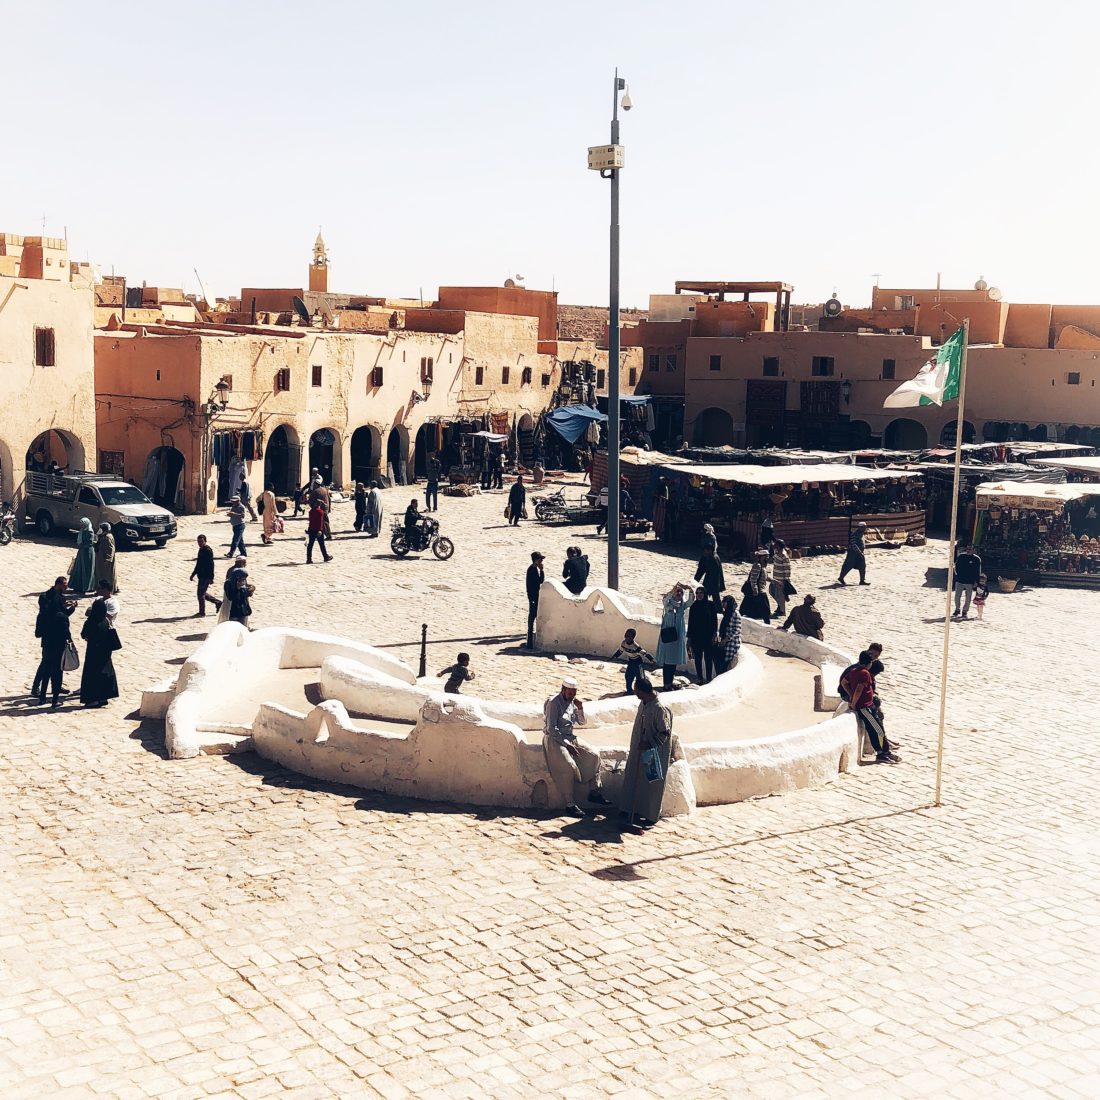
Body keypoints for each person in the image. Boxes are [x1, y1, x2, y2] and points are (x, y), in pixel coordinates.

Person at [542, 678, 609, 816]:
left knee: (593, 755)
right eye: (570, 692)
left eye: (574, 692)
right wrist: (567, 745)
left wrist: (580, 708)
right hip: (554, 739)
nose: (572, 695)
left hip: (570, 737)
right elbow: (552, 729)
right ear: (563, 690)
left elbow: (582, 722)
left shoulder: (573, 702)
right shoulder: (554, 703)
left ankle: (595, 792)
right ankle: (570, 804)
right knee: (567, 765)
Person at [617, 677, 677, 828]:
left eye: (636, 690)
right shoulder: (643, 703)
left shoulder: (659, 708)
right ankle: (630, 809)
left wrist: (649, 744)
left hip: (653, 753)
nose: (635, 693)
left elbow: (664, 733)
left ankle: (650, 815)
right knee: (634, 778)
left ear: (642, 691)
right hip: (639, 749)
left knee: (652, 784)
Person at [847, 652, 898, 764]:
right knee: (877, 730)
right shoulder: (864, 673)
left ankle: (884, 752)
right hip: (864, 708)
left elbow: (844, 682)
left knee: (874, 729)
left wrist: (851, 695)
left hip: (867, 705)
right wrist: (854, 703)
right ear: (869, 663)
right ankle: (882, 753)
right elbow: (859, 689)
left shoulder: (853, 671)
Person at [34, 577, 75, 706]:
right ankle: (54, 699)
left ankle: (42, 697)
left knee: (46, 668)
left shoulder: (46, 606)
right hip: (57, 646)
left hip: (46, 642)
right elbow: (65, 628)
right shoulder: (60, 616)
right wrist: (71, 608)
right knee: (57, 671)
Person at [79, 585, 120, 708]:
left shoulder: (91, 622)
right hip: (105, 652)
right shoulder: (106, 622)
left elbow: (83, 634)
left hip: (93, 652)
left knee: (92, 675)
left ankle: (93, 699)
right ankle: (103, 697)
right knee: (105, 672)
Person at [655, 582, 694, 690]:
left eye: (681, 592)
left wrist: (689, 588)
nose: (679, 594)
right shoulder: (668, 604)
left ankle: (670, 682)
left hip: (677, 635)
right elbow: (665, 598)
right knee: (667, 662)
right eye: (677, 592)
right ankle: (666, 683)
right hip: (668, 635)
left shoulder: (682, 606)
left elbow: (691, 600)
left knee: (673, 662)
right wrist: (672, 590)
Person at [686, 587, 718, 683]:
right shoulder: (694, 606)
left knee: (708, 659)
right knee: (698, 659)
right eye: (697, 593)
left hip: (708, 637)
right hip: (696, 637)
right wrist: (689, 638)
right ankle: (699, 678)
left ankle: (708, 679)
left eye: (701, 593)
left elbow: (714, 621)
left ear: (705, 594)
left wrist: (714, 634)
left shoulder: (711, 605)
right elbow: (690, 622)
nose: (699, 594)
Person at [610, 628, 654, 694]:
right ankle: (629, 691)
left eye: (628, 636)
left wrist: (651, 659)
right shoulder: (624, 643)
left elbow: (644, 653)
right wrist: (614, 657)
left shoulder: (635, 646)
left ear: (632, 637)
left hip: (638, 662)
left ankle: (643, 692)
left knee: (640, 678)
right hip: (631, 661)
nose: (626, 637)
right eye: (625, 635)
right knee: (628, 676)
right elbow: (620, 651)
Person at [190, 534, 221, 617]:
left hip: (206, 576)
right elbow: (198, 563)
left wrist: (211, 577)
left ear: (205, 541)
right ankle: (217, 602)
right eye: (198, 542)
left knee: (200, 594)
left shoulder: (208, 551)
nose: (200, 543)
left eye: (201, 541)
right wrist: (193, 574)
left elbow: (211, 565)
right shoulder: (201, 550)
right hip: (201, 575)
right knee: (202, 593)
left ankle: (202, 612)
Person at [740, 550, 772, 624]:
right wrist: (755, 590)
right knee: (765, 610)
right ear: (761, 557)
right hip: (757, 591)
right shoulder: (757, 565)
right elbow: (753, 579)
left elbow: (765, 577)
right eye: (766, 556)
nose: (767, 558)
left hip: (758, 591)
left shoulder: (763, 566)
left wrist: (774, 581)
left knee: (746, 608)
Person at [953, 542, 983, 619]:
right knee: (957, 597)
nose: (968, 550)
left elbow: (977, 571)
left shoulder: (976, 559)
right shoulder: (961, 556)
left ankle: (965, 611)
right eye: (967, 549)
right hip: (960, 580)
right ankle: (957, 609)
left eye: (970, 549)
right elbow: (956, 567)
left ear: (974, 550)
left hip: (970, 581)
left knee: (968, 598)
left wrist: (977, 581)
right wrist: (957, 575)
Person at [714, 595, 742, 674]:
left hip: (731, 644)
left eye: (724, 602)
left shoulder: (735, 614)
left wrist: (726, 640)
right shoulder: (727, 613)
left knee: (723, 664)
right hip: (724, 642)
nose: (723, 604)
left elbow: (737, 630)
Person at [68, 517, 96, 595]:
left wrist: (82, 545)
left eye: (83, 524)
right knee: (79, 568)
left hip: (87, 552)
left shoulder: (89, 531)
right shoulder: (82, 531)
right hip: (82, 552)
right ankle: (78, 586)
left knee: (86, 569)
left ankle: (87, 586)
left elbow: (90, 543)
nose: (81, 526)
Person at [218, 557, 249, 624]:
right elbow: (231, 596)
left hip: (242, 609)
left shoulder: (241, 576)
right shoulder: (231, 576)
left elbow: (244, 594)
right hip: (233, 608)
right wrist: (237, 588)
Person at [525, 551, 545, 649]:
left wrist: (541, 570)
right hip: (533, 597)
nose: (541, 561)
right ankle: (529, 642)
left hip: (535, 596)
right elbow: (539, 581)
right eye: (540, 559)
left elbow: (540, 581)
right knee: (532, 617)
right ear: (536, 560)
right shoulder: (532, 570)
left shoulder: (535, 569)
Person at [225, 559, 253, 629]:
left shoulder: (242, 582)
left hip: (243, 610)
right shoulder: (229, 583)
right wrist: (237, 588)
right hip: (233, 611)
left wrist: (251, 589)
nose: (243, 580)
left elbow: (245, 595)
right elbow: (230, 597)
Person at [769, 539, 793, 617]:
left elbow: (787, 569)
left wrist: (786, 580)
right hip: (775, 577)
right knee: (772, 592)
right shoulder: (776, 553)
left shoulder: (784, 556)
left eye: (776, 545)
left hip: (781, 579)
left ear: (779, 546)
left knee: (780, 595)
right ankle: (779, 607)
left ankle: (782, 611)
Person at [94, 522, 118, 594]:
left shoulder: (108, 537)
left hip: (105, 560)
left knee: (107, 576)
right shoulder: (102, 536)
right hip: (100, 559)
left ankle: (108, 590)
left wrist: (108, 560)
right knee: (100, 575)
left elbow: (111, 549)